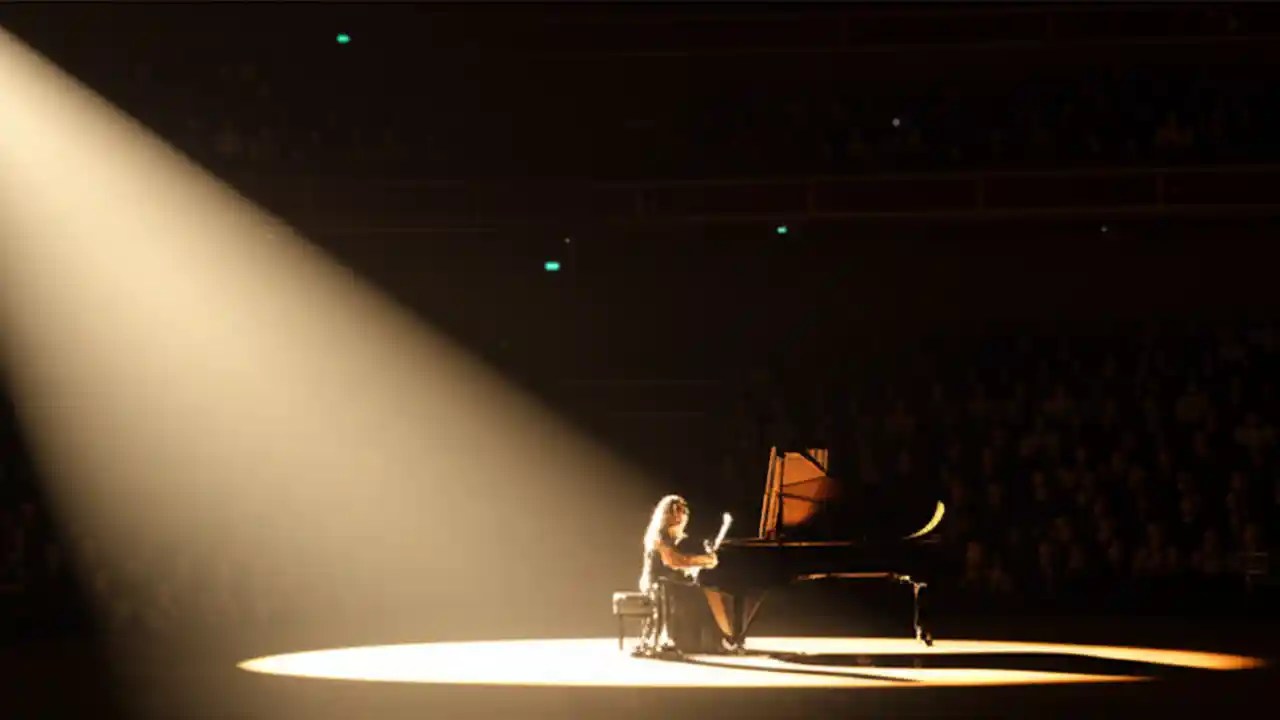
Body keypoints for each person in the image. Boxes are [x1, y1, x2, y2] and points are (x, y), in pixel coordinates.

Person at [639, 495, 726, 654]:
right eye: (674, 513)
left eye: (682, 513)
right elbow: (674, 561)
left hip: (669, 582)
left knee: (702, 590)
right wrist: (704, 560)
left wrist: (704, 559)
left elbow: (682, 564)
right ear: (665, 516)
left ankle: (709, 641)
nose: (680, 517)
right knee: (685, 592)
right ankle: (669, 639)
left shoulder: (675, 539)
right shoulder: (656, 538)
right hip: (655, 583)